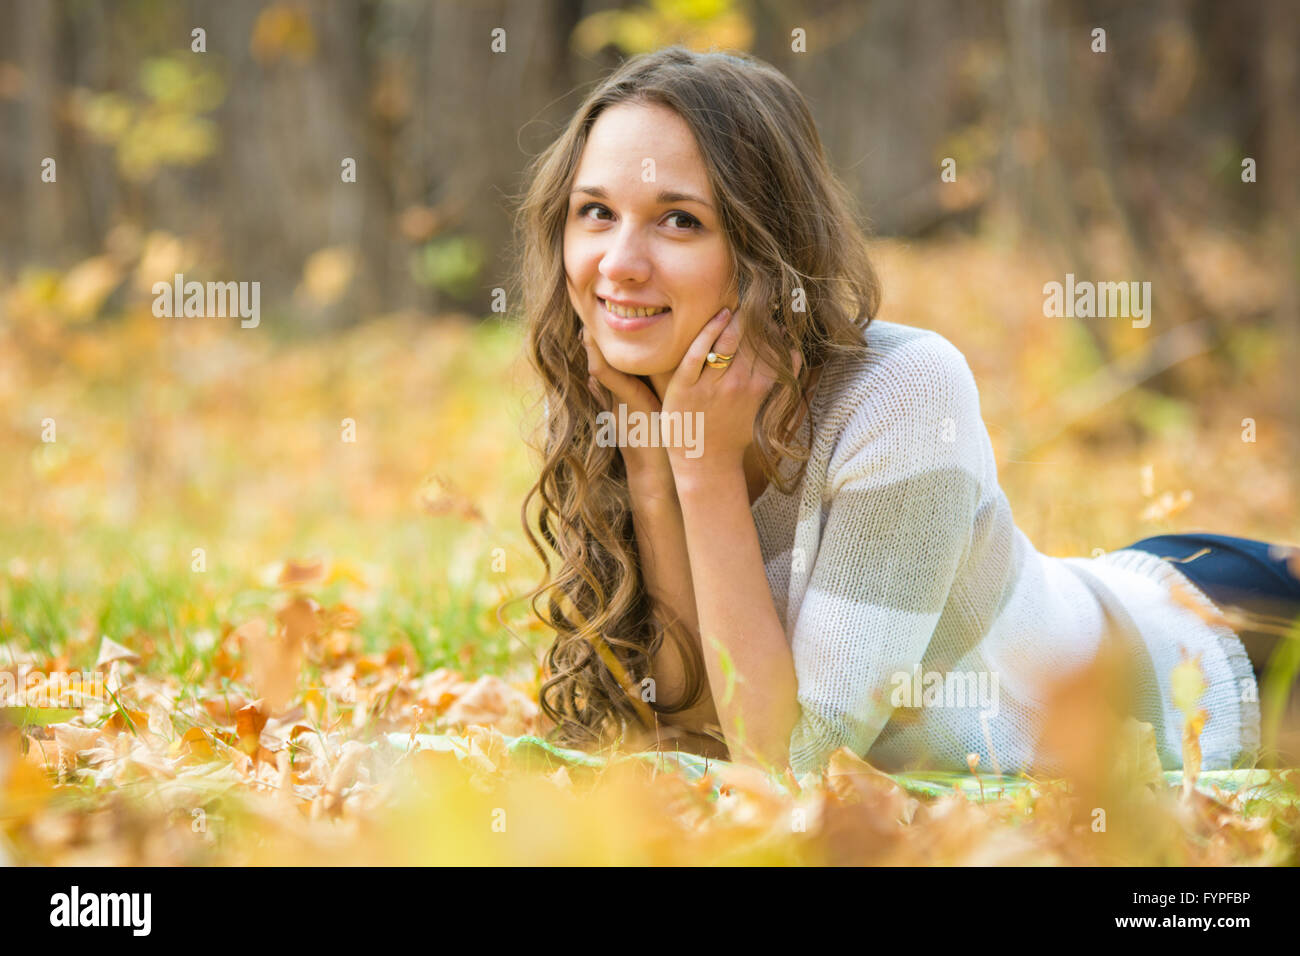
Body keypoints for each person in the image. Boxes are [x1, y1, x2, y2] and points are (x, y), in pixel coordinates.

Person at [511, 46, 1299, 776]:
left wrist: (704, 469)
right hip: (1127, 591)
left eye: (680, 219)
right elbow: (697, 728)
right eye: (596, 212)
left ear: (764, 244)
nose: (619, 264)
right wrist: (655, 464)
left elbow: (796, 766)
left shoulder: (903, 389)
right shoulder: (626, 392)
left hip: (1229, 651)